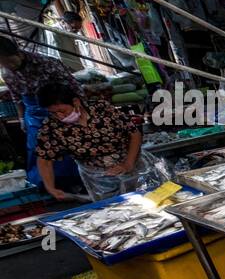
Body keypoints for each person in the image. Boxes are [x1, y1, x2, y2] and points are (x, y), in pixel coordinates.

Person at [33, 82, 145, 201]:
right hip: (98, 178)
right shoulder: (51, 128)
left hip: (132, 163)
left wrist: (128, 164)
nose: (59, 116)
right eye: (53, 113)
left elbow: (134, 133)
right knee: (115, 206)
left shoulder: (101, 108)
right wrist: (51, 188)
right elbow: (44, 160)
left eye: (62, 111)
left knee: (147, 198)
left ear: (76, 102)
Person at [0, 36, 82, 190]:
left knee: (67, 144)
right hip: (33, 114)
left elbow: (74, 86)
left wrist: (79, 109)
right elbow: (16, 97)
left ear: (18, 52)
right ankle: (46, 186)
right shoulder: (7, 73)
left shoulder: (46, 63)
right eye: (3, 64)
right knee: (37, 148)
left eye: (10, 61)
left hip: (59, 108)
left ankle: (75, 182)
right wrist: (22, 118)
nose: (9, 66)